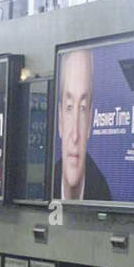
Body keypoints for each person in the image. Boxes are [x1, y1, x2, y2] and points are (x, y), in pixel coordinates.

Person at [53, 47, 111, 200]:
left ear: (90, 122)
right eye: (69, 108)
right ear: (60, 120)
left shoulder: (103, 195)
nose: (75, 135)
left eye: (83, 108)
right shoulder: (44, 187)